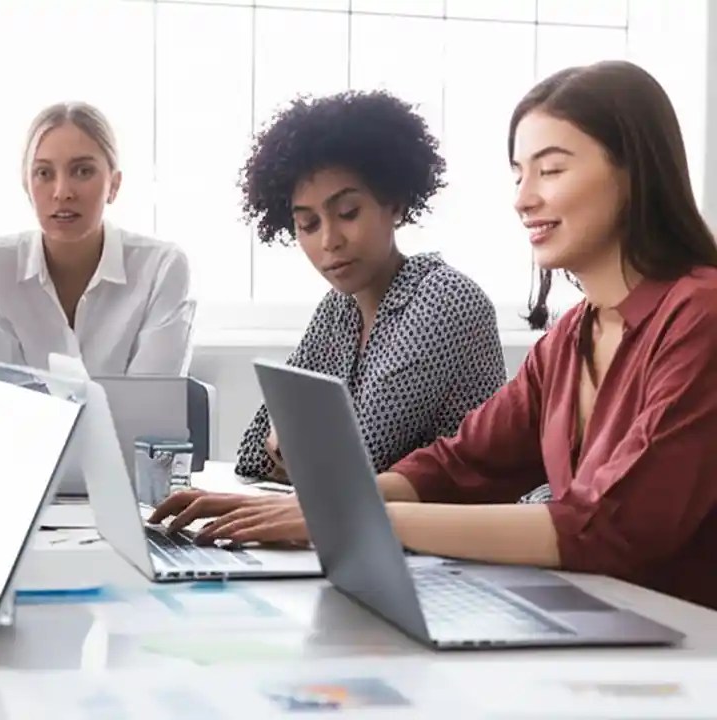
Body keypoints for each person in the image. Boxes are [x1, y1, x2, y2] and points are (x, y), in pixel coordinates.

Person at [152, 61, 717, 611]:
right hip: (609, 620)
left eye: (550, 170)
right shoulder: (571, 336)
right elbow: (459, 466)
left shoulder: (701, 316)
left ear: (633, 172)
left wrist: (353, 518)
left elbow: (613, 526)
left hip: (689, 648)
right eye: (518, 174)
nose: (522, 198)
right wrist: (322, 505)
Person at [230, 90, 505, 481]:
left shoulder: (445, 299)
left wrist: (293, 441)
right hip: (372, 528)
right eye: (308, 224)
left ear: (394, 202)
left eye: (347, 213)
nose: (329, 241)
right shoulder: (338, 309)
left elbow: (360, 457)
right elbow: (251, 455)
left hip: (449, 533)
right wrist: (293, 444)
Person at [0, 101, 195, 375]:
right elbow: (5, 403)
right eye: (44, 173)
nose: (62, 192)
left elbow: (149, 405)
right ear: (27, 185)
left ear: (114, 185)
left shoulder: (162, 269)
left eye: (83, 171)